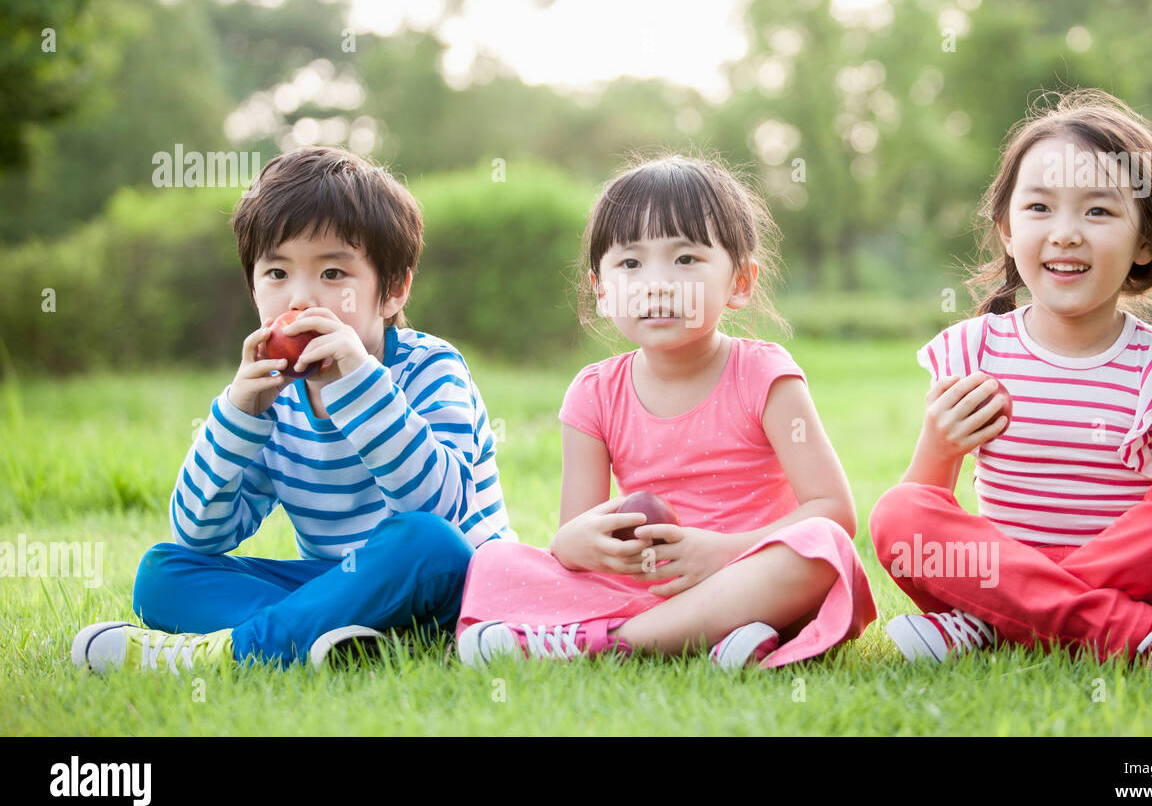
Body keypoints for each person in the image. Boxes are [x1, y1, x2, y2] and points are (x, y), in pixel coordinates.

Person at [869, 90, 1152, 676]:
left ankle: (993, 626)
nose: (1065, 233)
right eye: (1039, 208)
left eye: (1097, 211)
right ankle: (1139, 638)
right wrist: (939, 444)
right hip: (1030, 583)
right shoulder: (973, 351)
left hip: (1122, 583)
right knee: (896, 513)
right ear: (1007, 231)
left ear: (1146, 242)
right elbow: (925, 505)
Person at [72, 146, 513, 674]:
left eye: (332, 273)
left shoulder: (431, 368)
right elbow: (200, 535)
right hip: (336, 583)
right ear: (253, 287)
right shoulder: (270, 396)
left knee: (425, 541)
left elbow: (440, 510)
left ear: (393, 290)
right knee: (163, 572)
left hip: (451, 585)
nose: (299, 299)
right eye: (276, 273)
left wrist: (361, 385)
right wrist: (238, 417)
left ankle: (233, 652)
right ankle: (338, 639)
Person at [456, 154, 874, 669]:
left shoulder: (764, 374)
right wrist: (576, 543)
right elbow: (580, 538)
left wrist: (718, 554)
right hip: (645, 584)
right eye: (630, 264)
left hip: (751, 576)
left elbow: (833, 510)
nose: (656, 284)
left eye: (685, 260)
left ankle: (607, 641)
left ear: (740, 282)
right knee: (494, 561)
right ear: (602, 291)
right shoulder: (594, 393)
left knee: (822, 548)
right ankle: (715, 640)